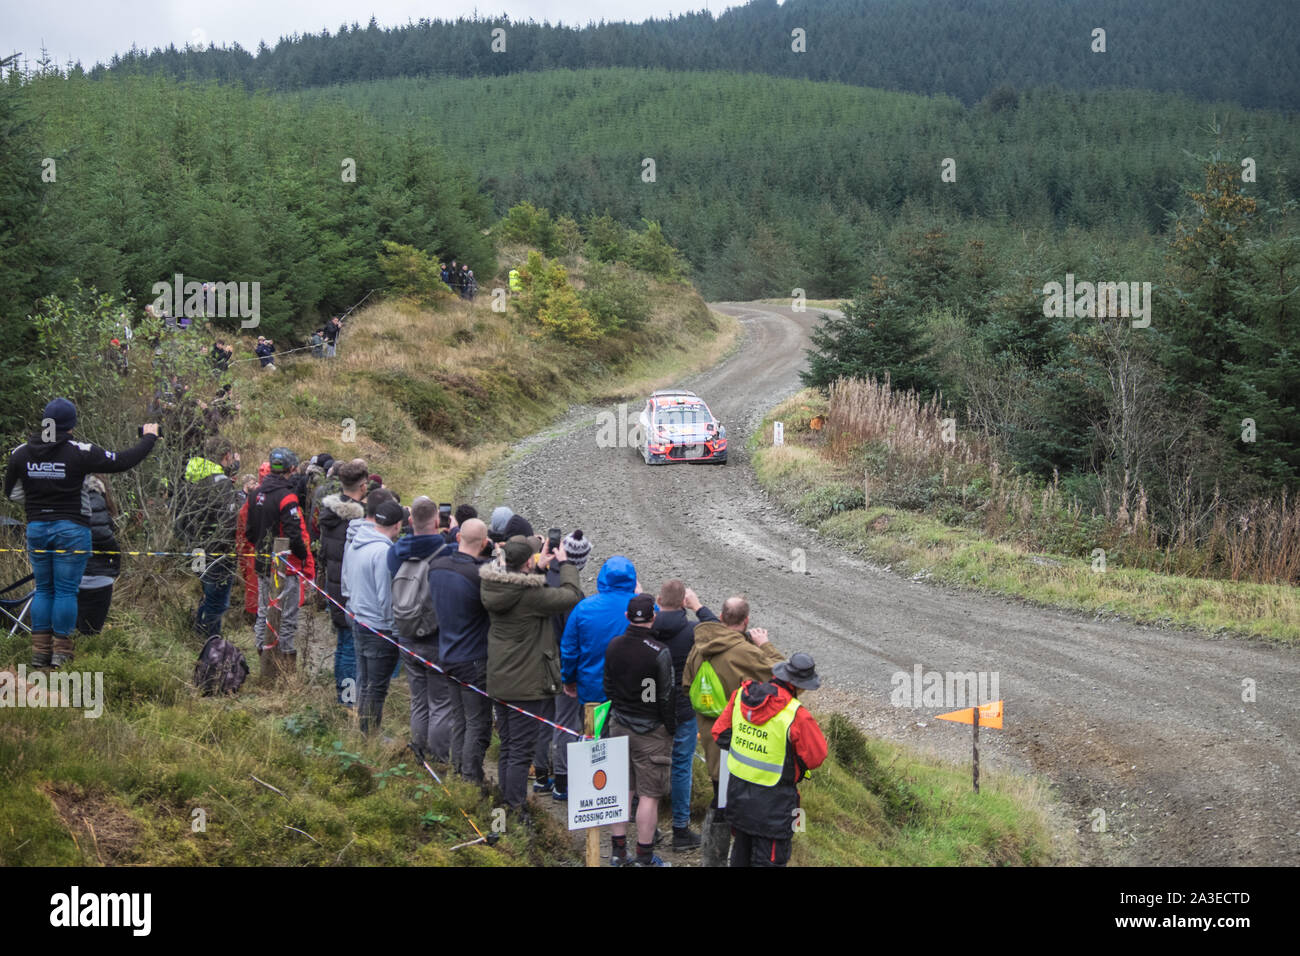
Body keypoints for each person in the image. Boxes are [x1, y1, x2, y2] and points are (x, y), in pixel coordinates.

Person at [3, 399, 158, 667]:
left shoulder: (21, 453)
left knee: (43, 589)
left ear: (45, 423)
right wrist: (149, 438)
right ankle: (61, 652)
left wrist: (39, 496)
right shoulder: (80, 451)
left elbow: (12, 493)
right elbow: (122, 461)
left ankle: (40, 652)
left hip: (37, 527)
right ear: (71, 426)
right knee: (65, 591)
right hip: (71, 529)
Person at [479, 533, 582, 811]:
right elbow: (572, 596)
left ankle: (507, 801)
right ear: (527, 562)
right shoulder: (531, 598)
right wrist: (565, 563)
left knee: (510, 745)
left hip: (500, 678)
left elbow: (519, 588)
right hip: (525, 683)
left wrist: (536, 569)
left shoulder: (494, 587)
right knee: (520, 751)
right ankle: (514, 808)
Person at [682, 595, 785, 866]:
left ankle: (711, 859)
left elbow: (686, 686)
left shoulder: (699, 647)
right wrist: (766, 645)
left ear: (721, 616)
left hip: (711, 739)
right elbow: (784, 677)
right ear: (746, 621)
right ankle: (735, 859)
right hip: (744, 745)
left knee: (720, 801)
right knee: (740, 808)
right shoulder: (745, 652)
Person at [713, 653, 828, 867]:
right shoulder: (797, 715)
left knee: (740, 857)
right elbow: (816, 757)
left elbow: (720, 734)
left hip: (738, 798)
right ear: (799, 686)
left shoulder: (741, 696)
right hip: (775, 809)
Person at [604, 594, 677, 867]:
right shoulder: (660, 652)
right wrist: (669, 727)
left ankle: (617, 852)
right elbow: (667, 695)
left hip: (620, 723)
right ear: (653, 618)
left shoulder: (614, 645)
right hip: (651, 730)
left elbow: (608, 686)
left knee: (623, 789)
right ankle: (644, 857)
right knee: (649, 794)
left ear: (626, 617)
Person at [652, 580, 720, 849]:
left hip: (652, 709)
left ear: (658, 600)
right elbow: (723, 633)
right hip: (683, 710)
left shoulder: (647, 627)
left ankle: (648, 828)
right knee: (681, 768)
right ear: (683, 603)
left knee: (649, 767)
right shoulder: (694, 630)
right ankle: (681, 829)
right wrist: (699, 606)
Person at [390, 497, 455, 761]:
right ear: (438, 521)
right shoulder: (445, 552)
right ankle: (439, 758)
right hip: (435, 636)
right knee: (440, 702)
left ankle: (419, 751)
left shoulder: (394, 553)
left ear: (409, 521)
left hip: (406, 634)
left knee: (418, 699)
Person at [428, 517, 492, 782]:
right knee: (478, 722)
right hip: (474, 658)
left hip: (447, 653)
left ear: (457, 538)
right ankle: (470, 779)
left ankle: (457, 772)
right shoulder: (479, 575)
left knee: (460, 718)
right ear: (485, 543)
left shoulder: (436, 566)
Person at [245, 447, 314, 677]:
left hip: (263, 562)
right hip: (286, 567)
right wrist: (303, 556)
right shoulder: (287, 497)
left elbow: (250, 532)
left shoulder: (255, 494)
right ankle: (284, 668)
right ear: (291, 469)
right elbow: (295, 536)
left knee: (264, 611)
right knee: (287, 616)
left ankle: (264, 658)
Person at [341, 496, 403, 734]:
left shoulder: (357, 541)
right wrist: (393, 629)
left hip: (358, 618)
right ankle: (369, 736)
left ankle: (362, 731)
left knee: (365, 681)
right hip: (378, 627)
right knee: (376, 687)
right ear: (397, 526)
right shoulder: (383, 551)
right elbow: (385, 596)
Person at [176, 439, 242, 637]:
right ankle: (211, 643)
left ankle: (198, 632)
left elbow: (180, 516)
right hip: (216, 552)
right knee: (217, 600)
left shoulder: (193, 477)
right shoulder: (221, 485)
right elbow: (228, 521)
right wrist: (229, 550)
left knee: (206, 591)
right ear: (226, 456)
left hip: (194, 548)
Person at [318, 459, 368, 705]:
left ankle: (344, 695)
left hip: (333, 584)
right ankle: (348, 701)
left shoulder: (330, 513)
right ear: (363, 485)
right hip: (349, 589)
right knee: (350, 646)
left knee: (343, 642)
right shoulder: (356, 520)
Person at [559, 555, 639, 707]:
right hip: (633, 690)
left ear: (602, 577)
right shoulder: (644, 609)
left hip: (593, 690)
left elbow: (569, 650)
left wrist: (568, 680)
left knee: (594, 730)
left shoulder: (583, 608)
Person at [75, 475, 120, 635]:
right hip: (94, 578)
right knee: (89, 634)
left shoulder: (61, 495)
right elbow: (100, 533)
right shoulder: (92, 495)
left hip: (68, 575)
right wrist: (115, 564)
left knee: (67, 634)